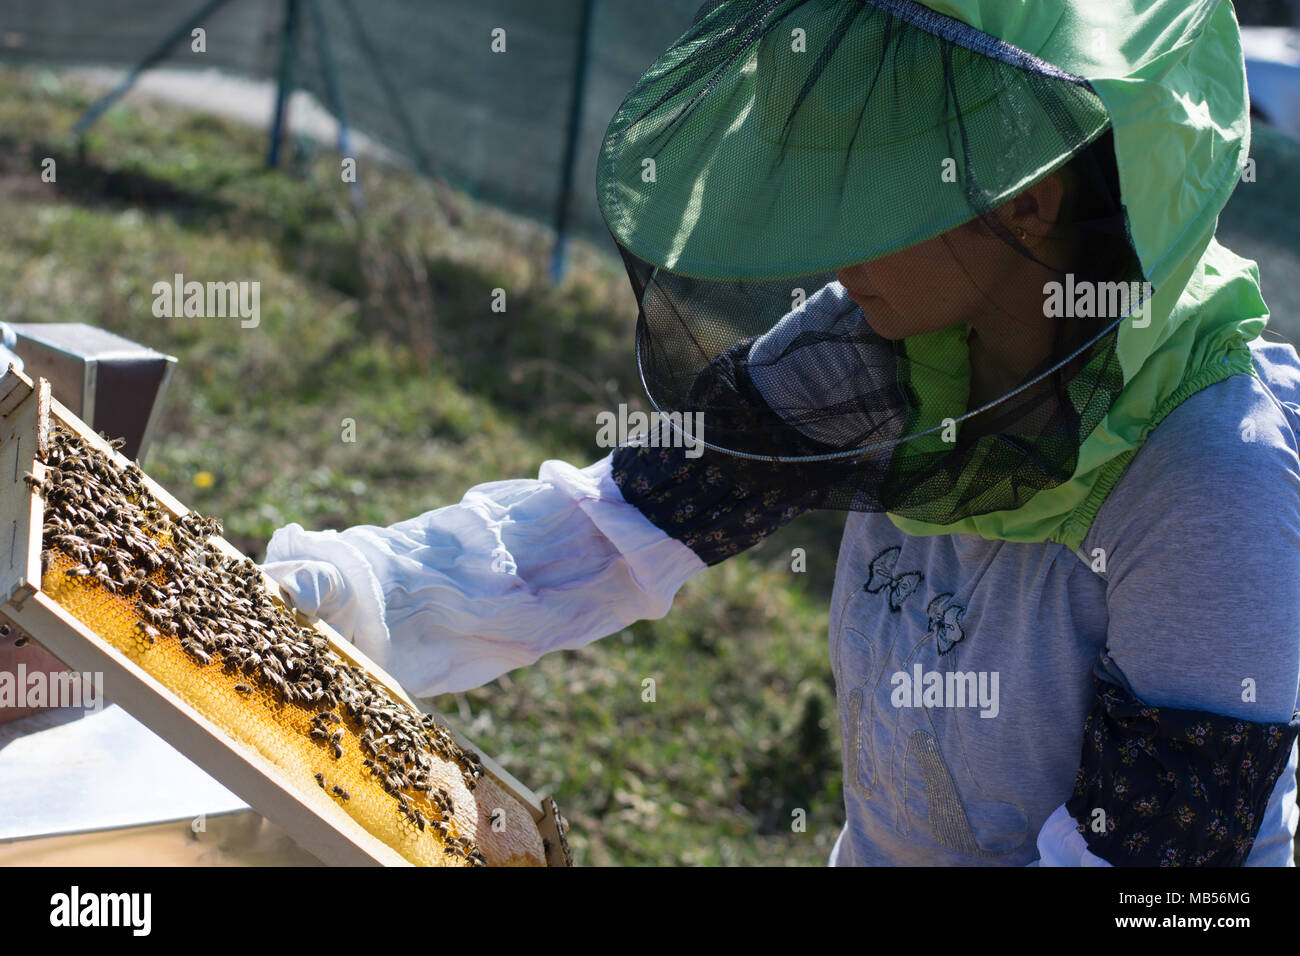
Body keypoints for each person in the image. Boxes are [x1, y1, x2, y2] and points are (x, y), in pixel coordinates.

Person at [264, 0, 1300, 866]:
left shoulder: (1214, 478)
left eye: (871, 187)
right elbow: (624, 517)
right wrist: (364, 597)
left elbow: (1151, 865)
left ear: (1028, 200)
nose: (827, 233)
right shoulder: (879, 348)